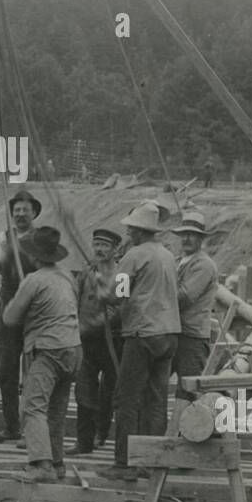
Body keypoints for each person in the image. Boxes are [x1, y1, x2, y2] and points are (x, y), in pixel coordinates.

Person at [98, 201, 180, 481]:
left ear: (139, 231)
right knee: (156, 401)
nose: (129, 232)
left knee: (126, 399)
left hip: (142, 334)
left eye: (131, 228)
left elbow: (116, 295)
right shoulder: (167, 255)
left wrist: (103, 290)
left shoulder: (134, 255)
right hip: (169, 334)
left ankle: (124, 464)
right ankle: (153, 462)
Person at [2, 226, 81, 483]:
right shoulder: (67, 276)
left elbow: (10, 318)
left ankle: (40, 465)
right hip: (73, 349)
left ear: (33, 256)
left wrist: (16, 301)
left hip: (49, 350)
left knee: (32, 407)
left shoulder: (33, 280)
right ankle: (57, 463)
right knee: (56, 410)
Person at [0, 189, 42, 443]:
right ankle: (11, 427)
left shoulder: (42, 240)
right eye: (16, 211)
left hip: (35, 312)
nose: (20, 214)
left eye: (24, 210)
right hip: (9, 312)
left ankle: (34, 430)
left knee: (36, 372)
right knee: (7, 370)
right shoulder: (4, 238)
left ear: (34, 213)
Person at [74, 227, 123, 453]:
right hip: (86, 341)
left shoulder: (122, 276)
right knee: (84, 389)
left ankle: (101, 434)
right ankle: (84, 442)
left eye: (105, 246)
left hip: (113, 342)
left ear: (115, 250)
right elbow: (76, 299)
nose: (100, 249)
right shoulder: (86, 272)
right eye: (97, 245)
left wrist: (94, 325)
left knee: (110, 392)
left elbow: (121, 309)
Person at [170, 210, 219, 410]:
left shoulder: (204, 265)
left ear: (201, 239)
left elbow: (185, 297)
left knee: (189, 391)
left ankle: (189, 436)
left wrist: (156, 294)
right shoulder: (176, 261)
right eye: (184, 234)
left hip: (191, 337)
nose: (186, 239)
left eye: (192, 235)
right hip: (172, 332)